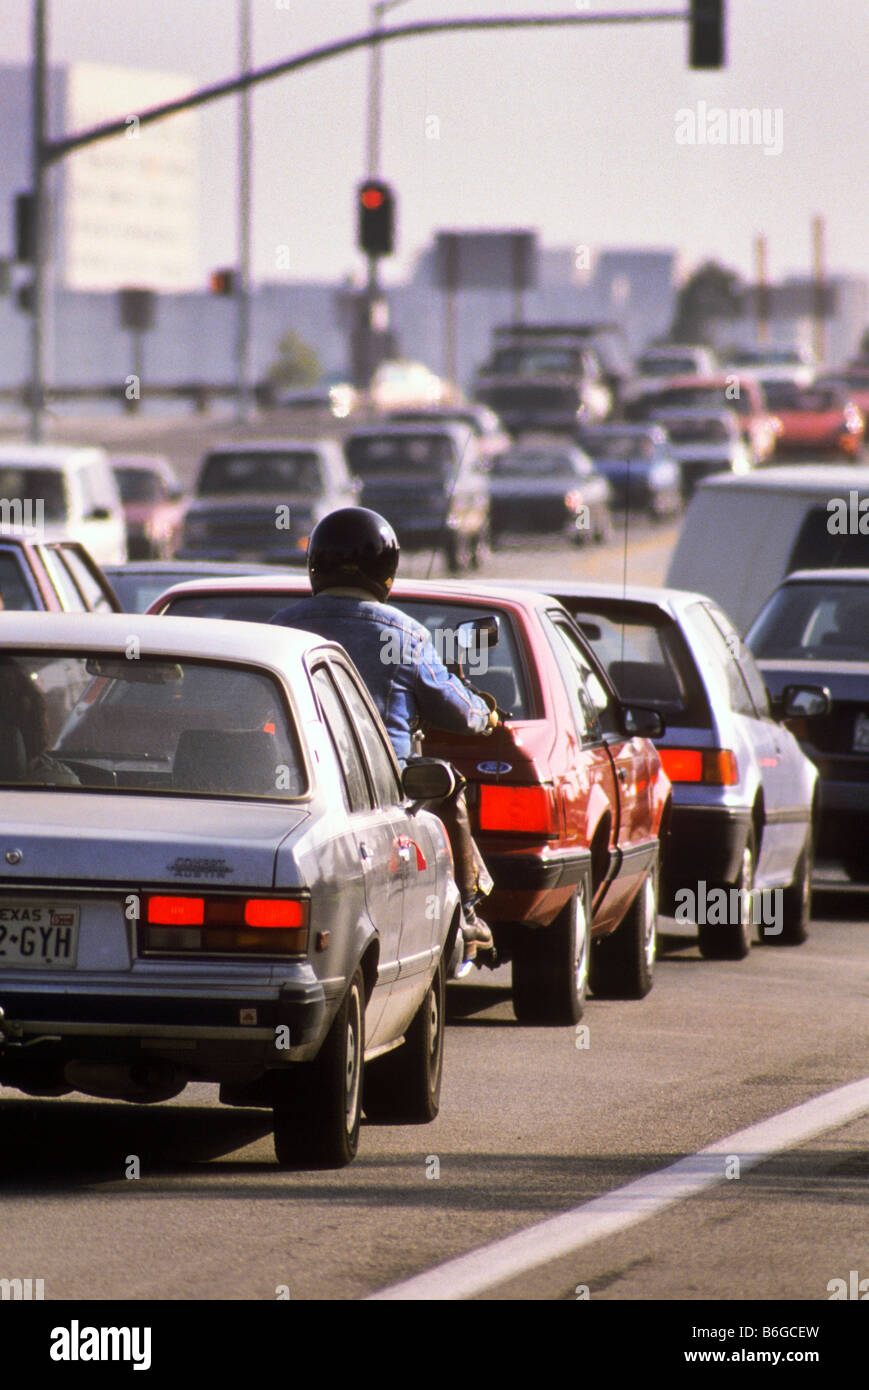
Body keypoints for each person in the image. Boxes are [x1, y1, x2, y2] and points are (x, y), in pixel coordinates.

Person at [270, 506, 499, 963]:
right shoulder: (406, 634)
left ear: (315, 563)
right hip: (385, 787)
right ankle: (469, 908)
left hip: (293, 781)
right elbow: (457, 711)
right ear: (387, 574)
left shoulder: (280, 627)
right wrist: (487, 715)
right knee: (448, 784)